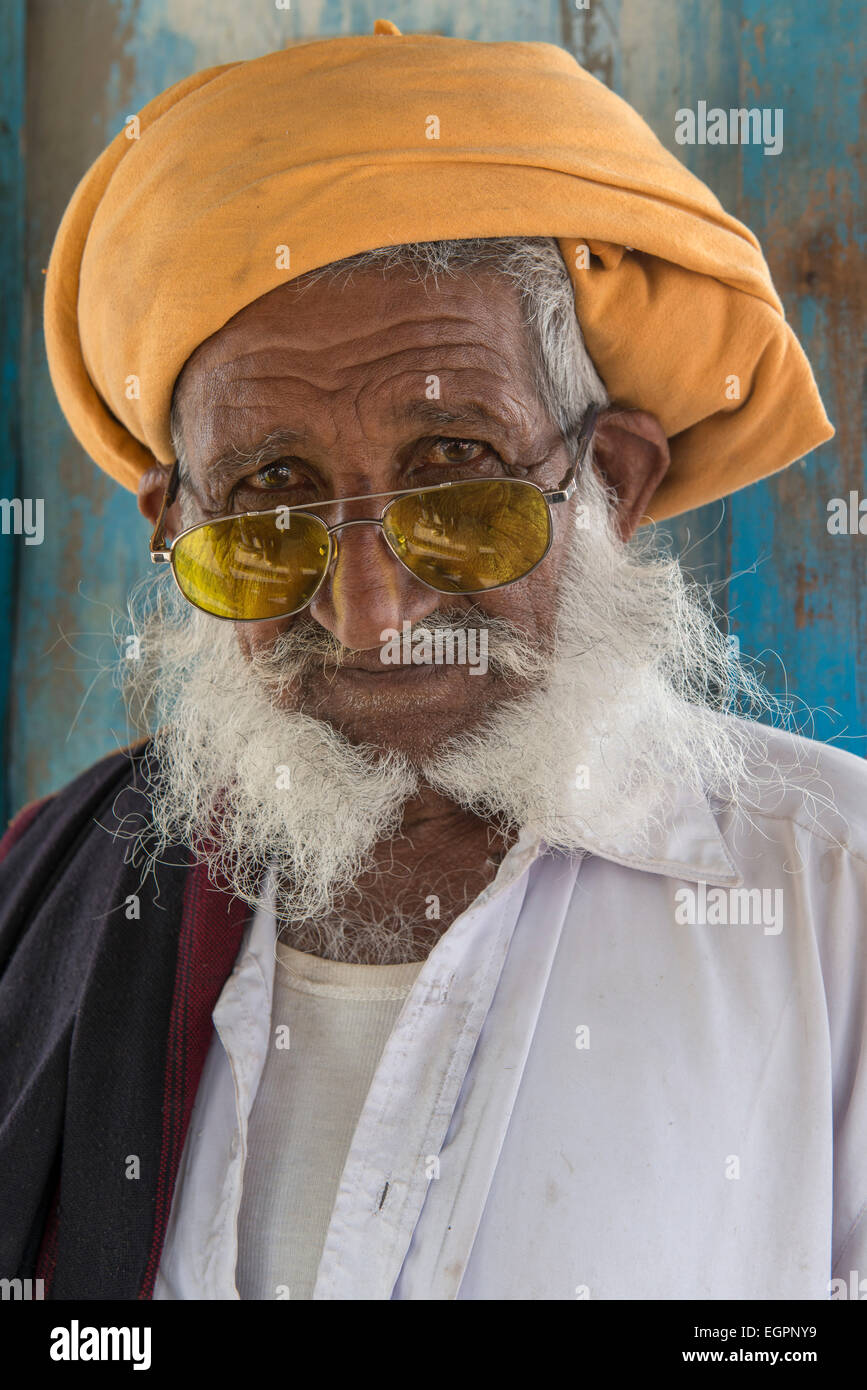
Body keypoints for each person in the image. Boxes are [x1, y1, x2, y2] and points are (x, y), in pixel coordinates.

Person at [1, 22, 863, 1301]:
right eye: (271, 497)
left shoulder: (834, 912)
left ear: (612, 483)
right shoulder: (43, 896)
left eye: (456, 475)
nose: (372, 615)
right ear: (178, 529)